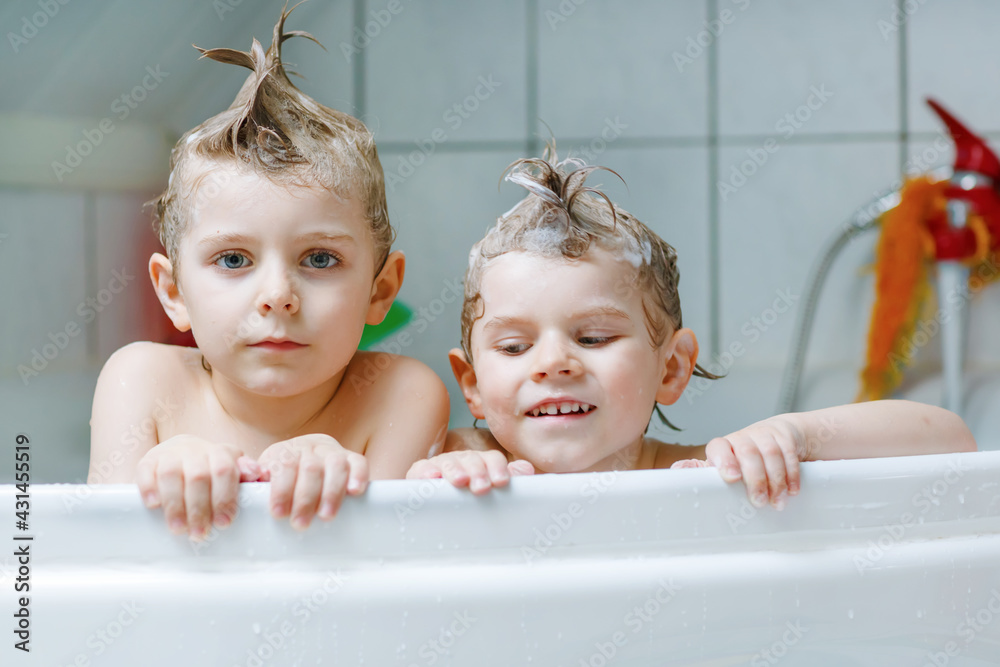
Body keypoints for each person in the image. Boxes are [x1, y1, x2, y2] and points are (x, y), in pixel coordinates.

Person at [407, 145, 976, 508]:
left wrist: (796, 436)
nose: (553, 362)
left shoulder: (702, 473)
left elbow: (949, 441)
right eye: (513, 345)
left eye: (594, 337)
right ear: (473, 384)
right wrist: (437, 477)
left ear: (672, 367)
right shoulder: (459, 463)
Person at [89, 6, 449, 539]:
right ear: (173, 291)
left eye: (320, 259)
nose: (278, 296)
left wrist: (339, 470)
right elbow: (98, 561)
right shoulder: (143, 382)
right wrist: (165, 470)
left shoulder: (400, 393)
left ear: (381, 290)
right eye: (233, 259)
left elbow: (393, 574)